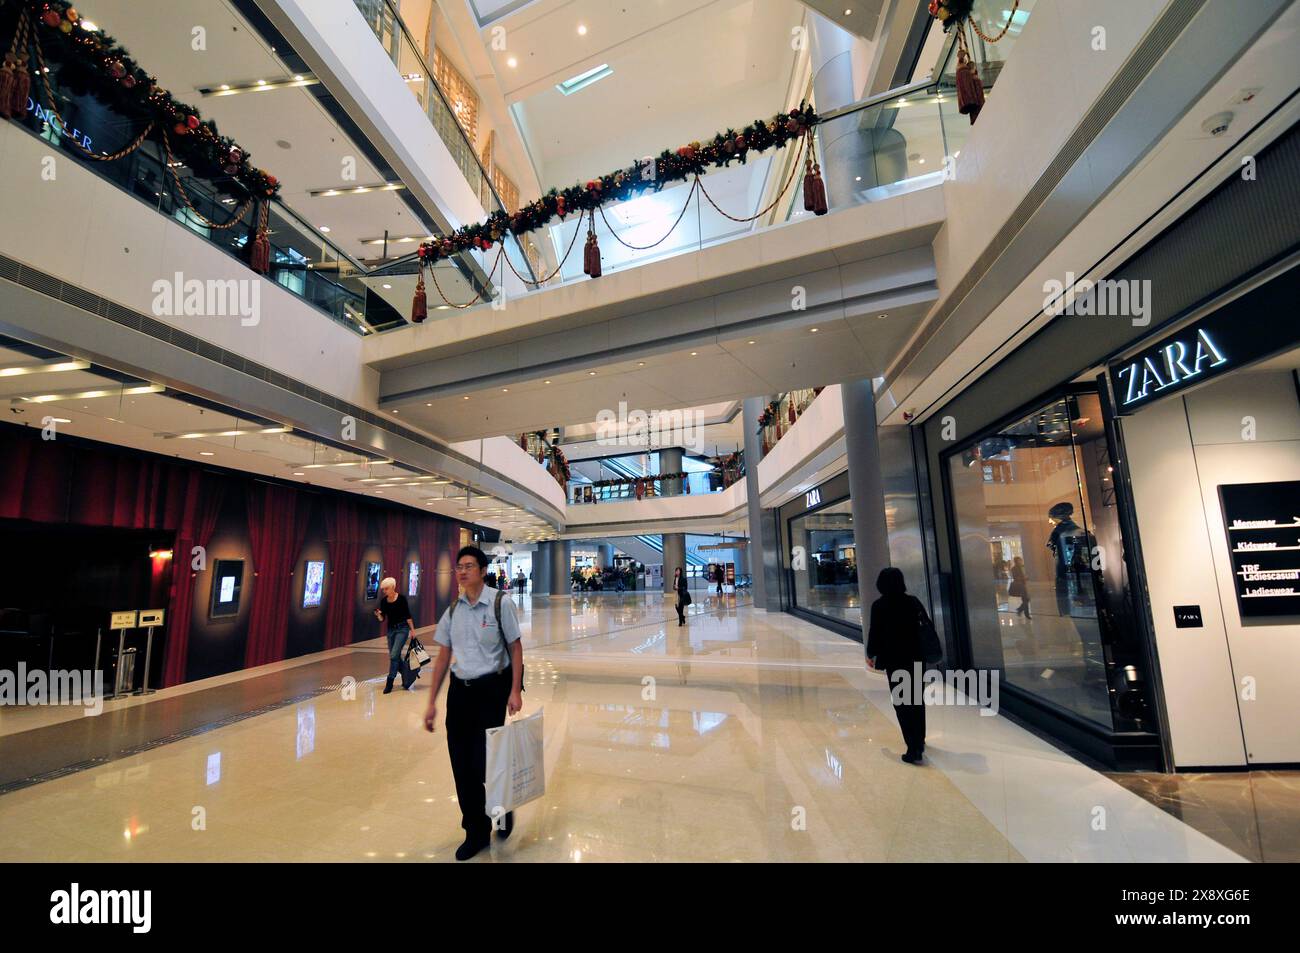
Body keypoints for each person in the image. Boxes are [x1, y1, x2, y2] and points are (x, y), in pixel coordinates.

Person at [421, 546, 524, 861]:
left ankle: (502, 803)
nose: (462, 572)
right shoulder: (453, 610)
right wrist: (432, 702)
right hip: (460, 693)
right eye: (459, 567)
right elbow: (441, 658)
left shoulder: (499, 604)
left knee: (485, 763)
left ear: (481, 569)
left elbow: (515, 648)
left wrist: (515, 690)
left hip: (491, 691)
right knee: (461, 764)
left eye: (468, 566)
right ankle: (475, 830)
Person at [865, 567, 932, 764]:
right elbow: (926, 625)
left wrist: (871, 654)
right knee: (916, 699)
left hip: (895, 660)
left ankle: (913, 747)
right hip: (916, 657)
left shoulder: (879, 605)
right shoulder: (913, 602)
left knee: (902, 702)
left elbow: (874, 633)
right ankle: (919, 740)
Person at [374, 577, 416, 694]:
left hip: (402, 629)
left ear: (393, 587)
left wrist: (412, 630)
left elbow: (407, 615)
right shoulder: (384, 601)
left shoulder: (401, 599)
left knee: (393, 655)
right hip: (391, 630)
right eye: (383, 589)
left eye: (386, 589)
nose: (384, 591)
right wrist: (378, 615)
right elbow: (382, 619)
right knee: (395, 656)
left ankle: (390, 682)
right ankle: (407, 673)